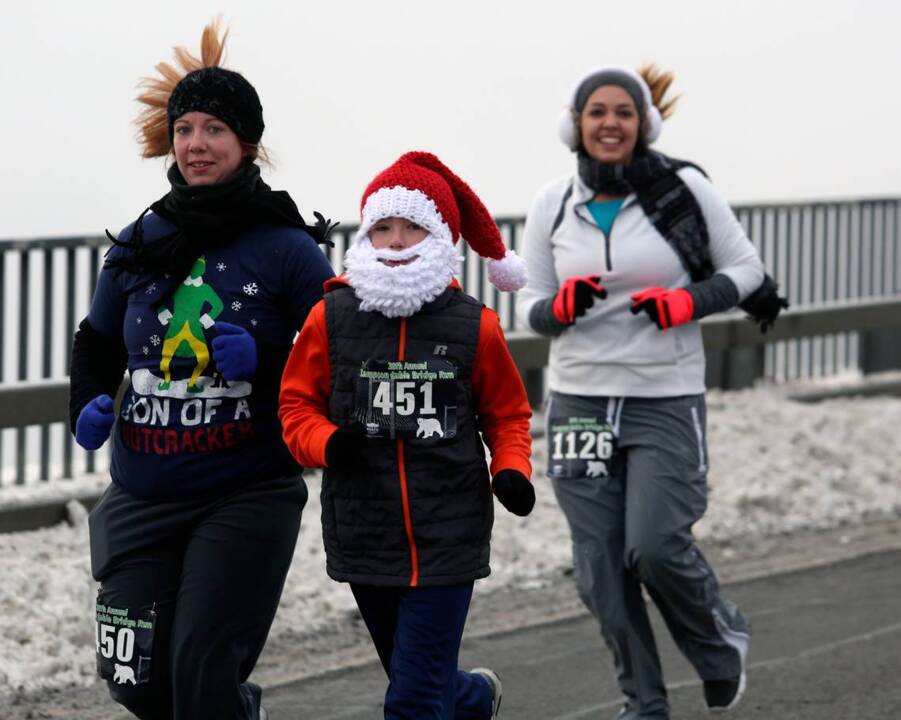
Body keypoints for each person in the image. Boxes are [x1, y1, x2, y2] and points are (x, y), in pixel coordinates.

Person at [69, 21, 335, 720]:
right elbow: (96, 340)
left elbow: (341, 354)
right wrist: (91, 402)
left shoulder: (286, 249)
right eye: (183, 127)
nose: (195, 143)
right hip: (141, 491)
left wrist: (271, 361)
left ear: (246, 142)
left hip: (242, 493)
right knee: (134, 677)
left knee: (199, 672)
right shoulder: (140, 240)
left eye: (213, 128)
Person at [516, 65, 784, 719]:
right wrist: (559, 310)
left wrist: (685, 302)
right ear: (575, 124)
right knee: (600, 570)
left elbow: (745, 270)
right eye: (596, 112)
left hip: (662, 396)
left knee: (655, 548)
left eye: (623, 113)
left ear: (643, 123)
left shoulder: (683, 189)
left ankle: (719, 644)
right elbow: (527, 301)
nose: (610, 123)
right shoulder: (553, 200)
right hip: (579, 397)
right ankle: (644, 703)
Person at [279, 151, 534, 719]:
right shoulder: (330, 317)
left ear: (441, 234)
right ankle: (472, 698)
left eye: (413, 226)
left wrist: (511, 469)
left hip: (448, 531)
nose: (396, 242)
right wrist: (326, 442)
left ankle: (452, 698)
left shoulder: (475, 325)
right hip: (365, 529)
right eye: (383, 228)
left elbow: (507, 414)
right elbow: (295, 406)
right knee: (420, 679)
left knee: (413, 701)